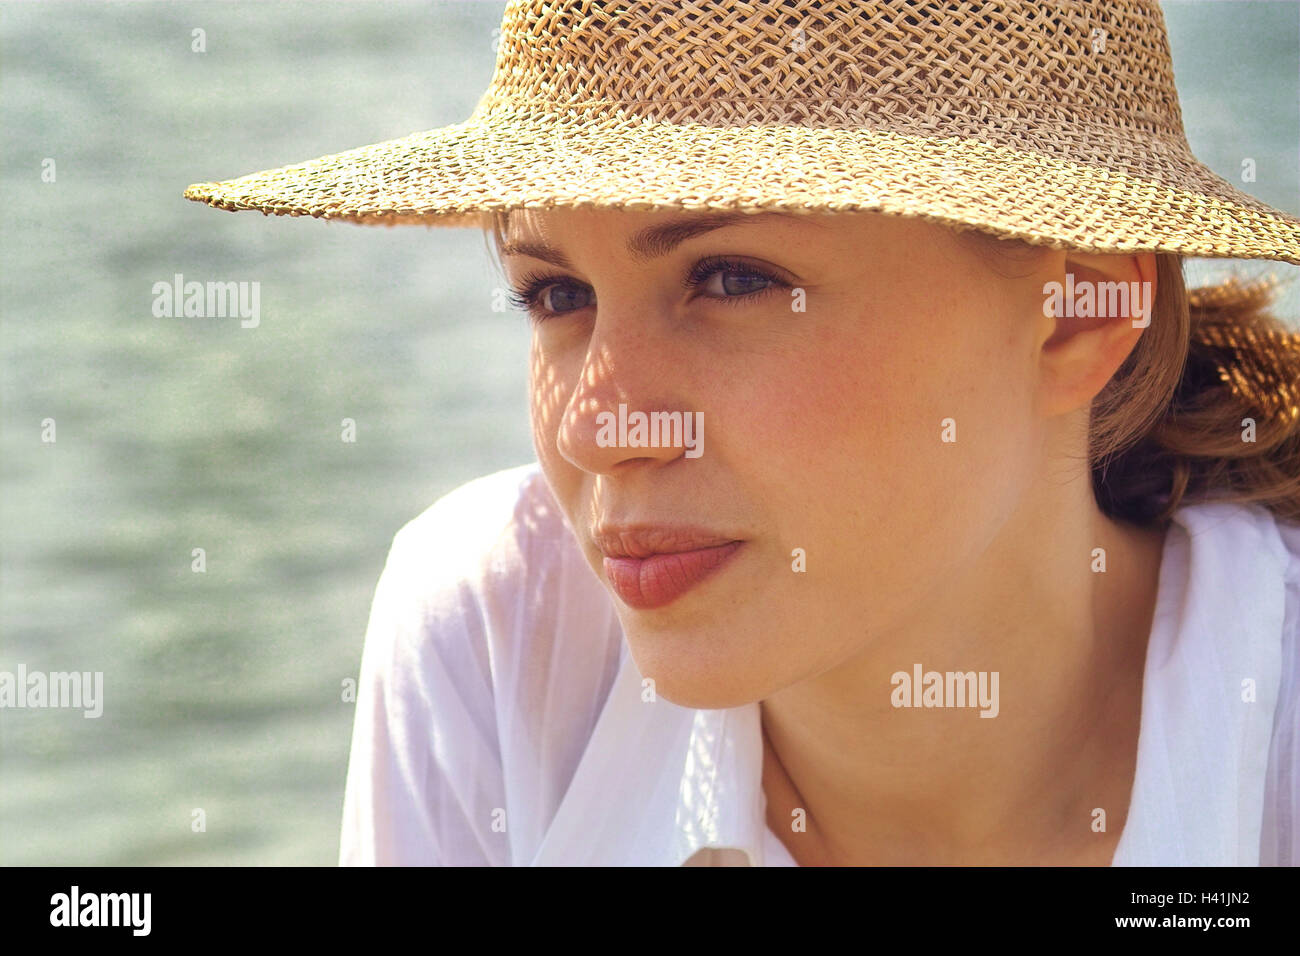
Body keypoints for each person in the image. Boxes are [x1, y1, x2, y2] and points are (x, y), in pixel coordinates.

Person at [185, 0, 1300, 865]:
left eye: (730, 278)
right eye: (552, 293)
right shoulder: (494, 630)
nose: (599, 429)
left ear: (1077, 311)